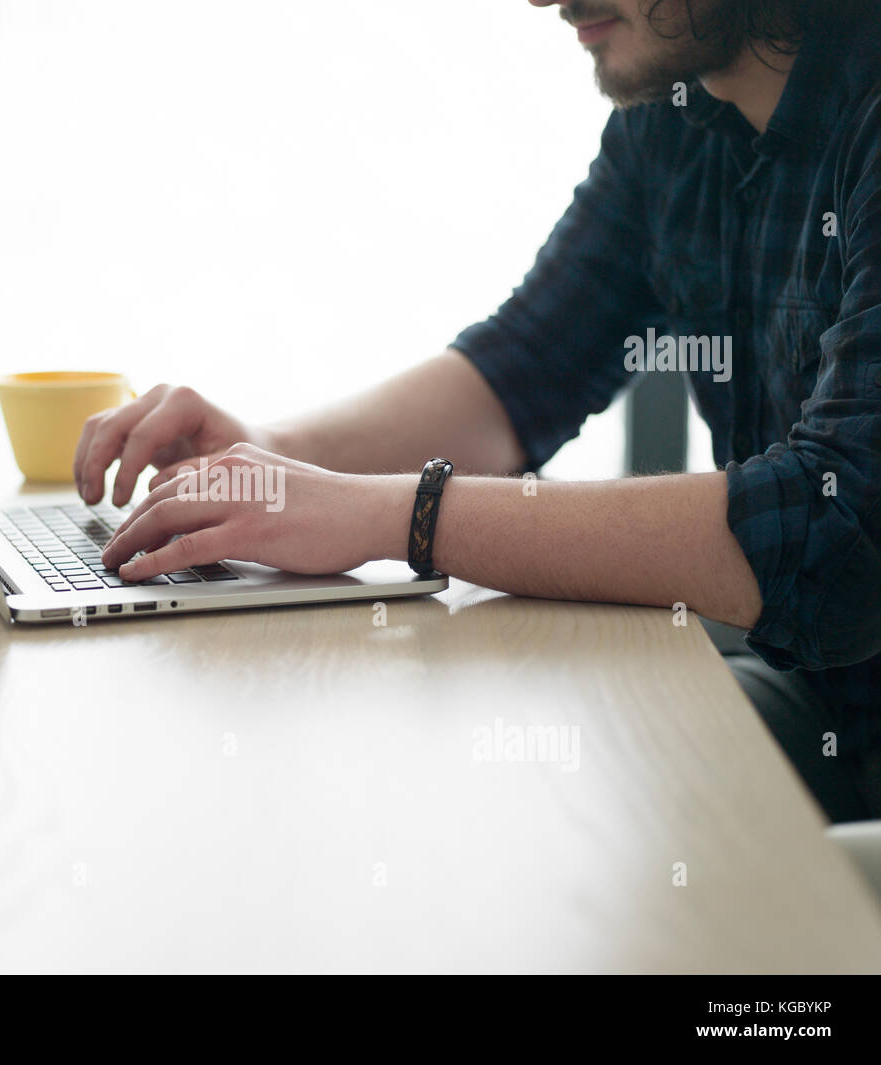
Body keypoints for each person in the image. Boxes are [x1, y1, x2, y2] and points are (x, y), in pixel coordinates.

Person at [73, 0, 881, 823]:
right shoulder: (677, 123)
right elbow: (519, 372)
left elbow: (838, 535)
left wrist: (396, 514)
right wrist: (268, 457)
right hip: (814, 704)